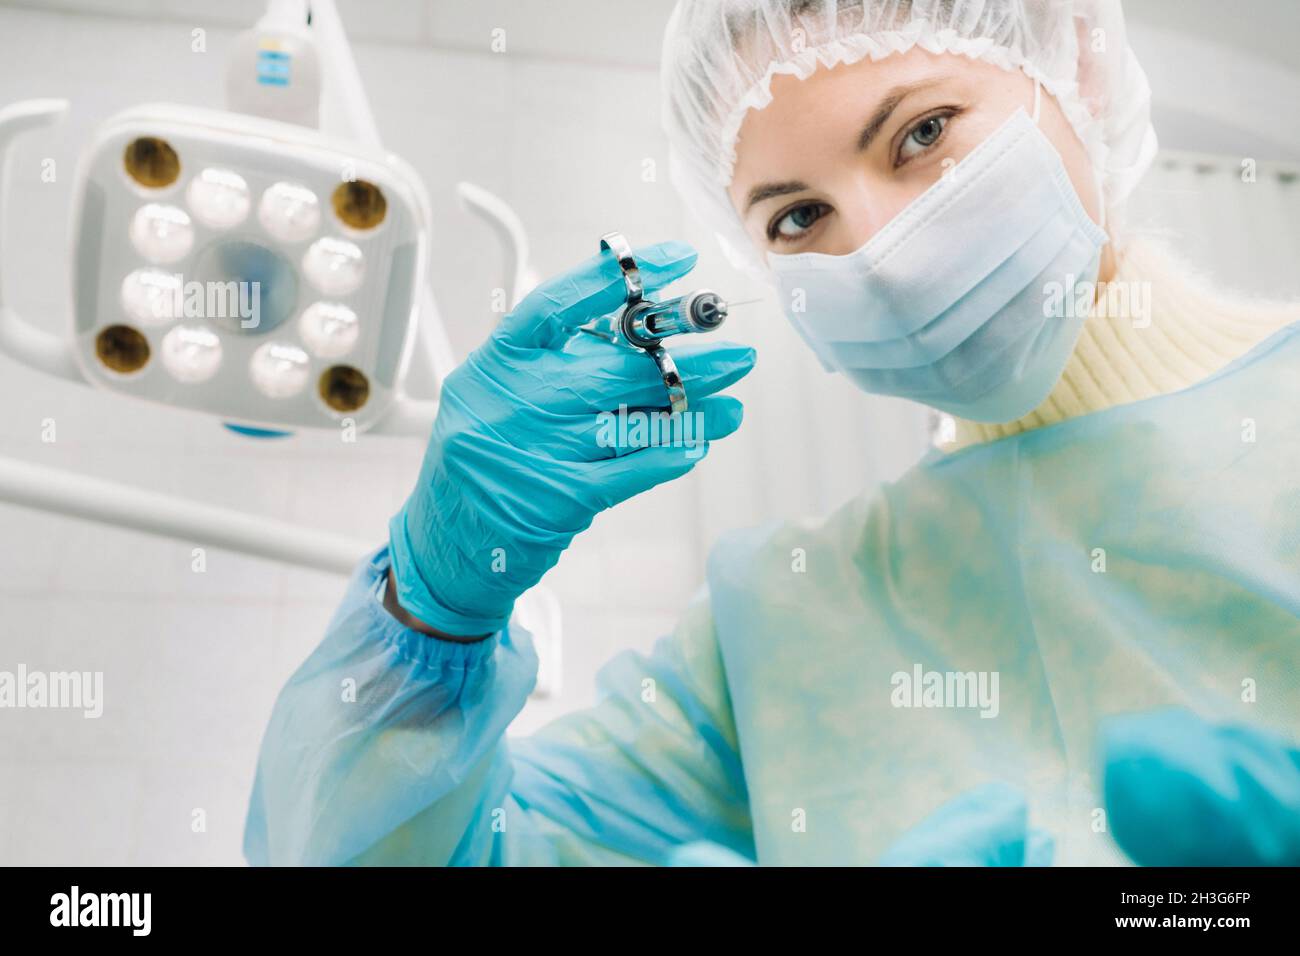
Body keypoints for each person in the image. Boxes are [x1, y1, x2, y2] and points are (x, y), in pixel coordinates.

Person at [244, 0, 1300, 865]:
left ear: (1079, 62)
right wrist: (432, 604)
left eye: (920, 133)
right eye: (797, 218)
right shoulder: (780, 624)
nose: (878, 251)